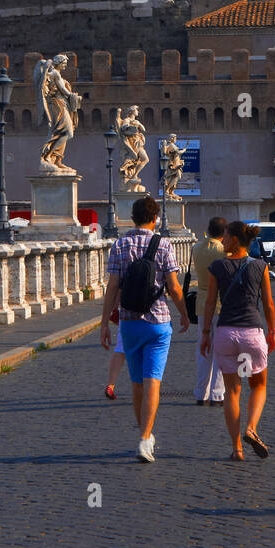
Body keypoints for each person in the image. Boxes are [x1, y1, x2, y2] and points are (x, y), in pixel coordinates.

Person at [100, 194, 189, 462]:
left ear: (133, 218)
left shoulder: (120, 244)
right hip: (158, 322)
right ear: (155, 219)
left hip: (129, 322)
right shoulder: (164, 245)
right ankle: (144, 439)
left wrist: (104, 322)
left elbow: (112, 287)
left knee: (137, 384)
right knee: (154, 382)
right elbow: (173, 287)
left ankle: (145, 435)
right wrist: (185, 313)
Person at [200, 221, 275, 461]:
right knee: (259, 385)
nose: (221, 240)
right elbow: (268, 304)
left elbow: (210, 303)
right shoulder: (261, 266)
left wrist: (205, 332)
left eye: (224, 236)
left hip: (225, 333)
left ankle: (237, 449)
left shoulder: (217, 266)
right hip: (252, 332)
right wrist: (271, 332)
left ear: (234, 240)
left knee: (232, 392)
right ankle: (251, 428)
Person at [191, 216, 227, 405]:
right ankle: (217, 393)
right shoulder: (224, 251)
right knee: (220, 350)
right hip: (220, 302)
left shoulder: (196, 248)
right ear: (224, 233)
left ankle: (200, 392)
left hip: (201, 302)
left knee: (203, 349)